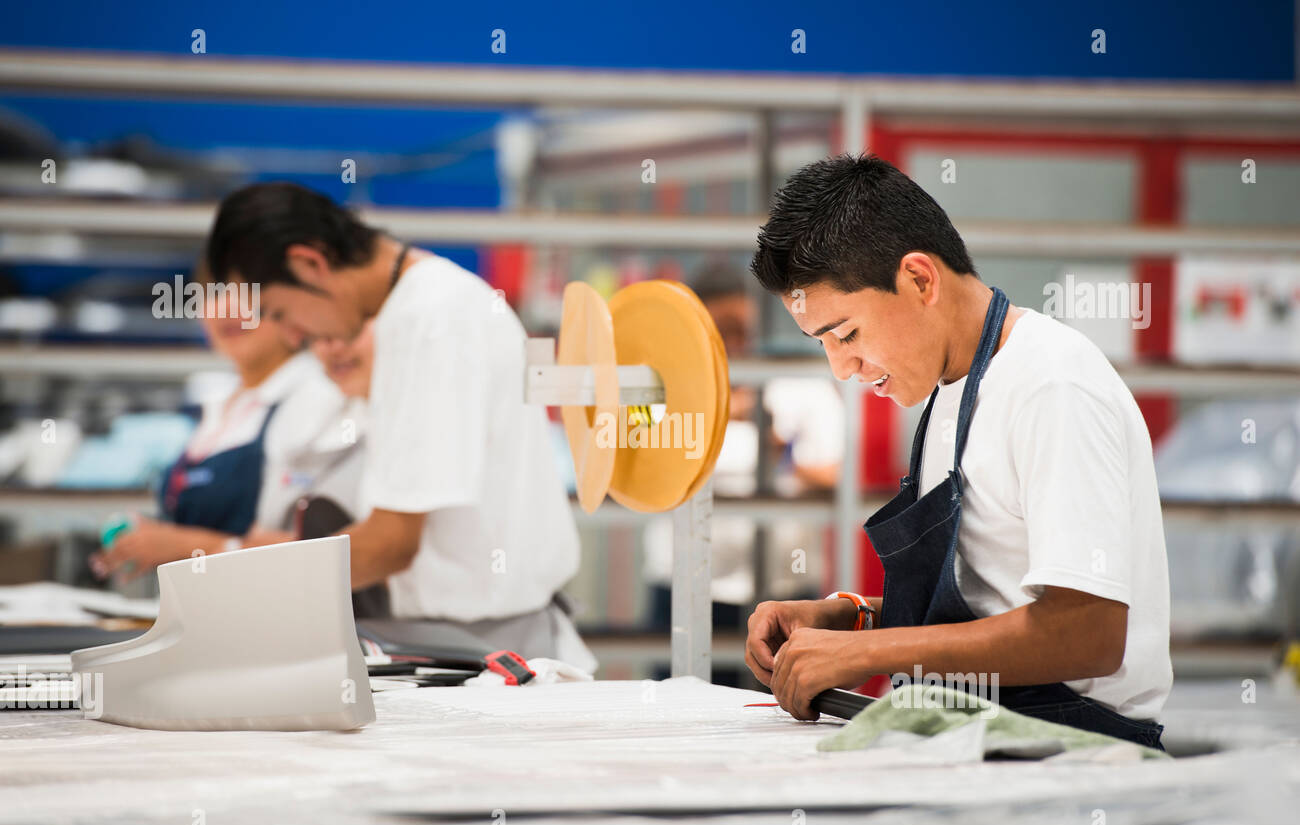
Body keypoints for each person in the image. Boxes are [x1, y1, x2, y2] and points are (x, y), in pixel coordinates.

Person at [744, 154, 1172, 749]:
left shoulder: (1052, 385)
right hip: (984, 738)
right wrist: (852, 616)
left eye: (847, 334)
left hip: (1073, 754)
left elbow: (1087, 631)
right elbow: (992, 595)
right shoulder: (951, 390)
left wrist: (862, 652)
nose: (841, 367)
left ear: (920, 279)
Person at [202, 182, 592, 669]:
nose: (294, 335)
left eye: (281, 312)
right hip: (452, 644)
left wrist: (227, 587)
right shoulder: (422, 308)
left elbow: (390, 543)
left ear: (309, 263)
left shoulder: (432, 318)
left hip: (491, 654)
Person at [91, 270, 355, 581]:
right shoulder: (221, 403)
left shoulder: (318, 398)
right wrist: (146, 538)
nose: (229, 307)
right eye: (215, 292)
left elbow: (327, 552)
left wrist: (185, 546)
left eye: (248, 292)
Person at [643, 263, 843, 630]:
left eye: (742, 331)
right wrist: (710, 419)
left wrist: (779, 453)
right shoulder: (664, 389)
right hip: (684, 584)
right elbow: (639, 472)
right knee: (682, 687)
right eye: (721, 332)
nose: (734, 344)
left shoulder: (801, 383)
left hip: (788, 587)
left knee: (786, 687)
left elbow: (839, 478)